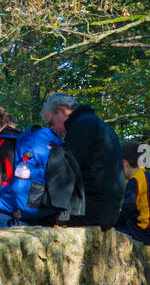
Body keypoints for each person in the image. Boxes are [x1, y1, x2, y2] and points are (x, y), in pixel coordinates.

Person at [41, 93, 124, 229]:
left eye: (51, 122)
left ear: (62, 110)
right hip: (107, 210)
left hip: (90, 211)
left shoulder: (82, 126)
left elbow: (65, 172)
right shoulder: (98, 124)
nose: (52, 129)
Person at [116, 141, 150, 247]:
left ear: (124, 163)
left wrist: (114, 222)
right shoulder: (145, 177)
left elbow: (128, 209)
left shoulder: (135, 181)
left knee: (107, 229)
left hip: (143, 234)